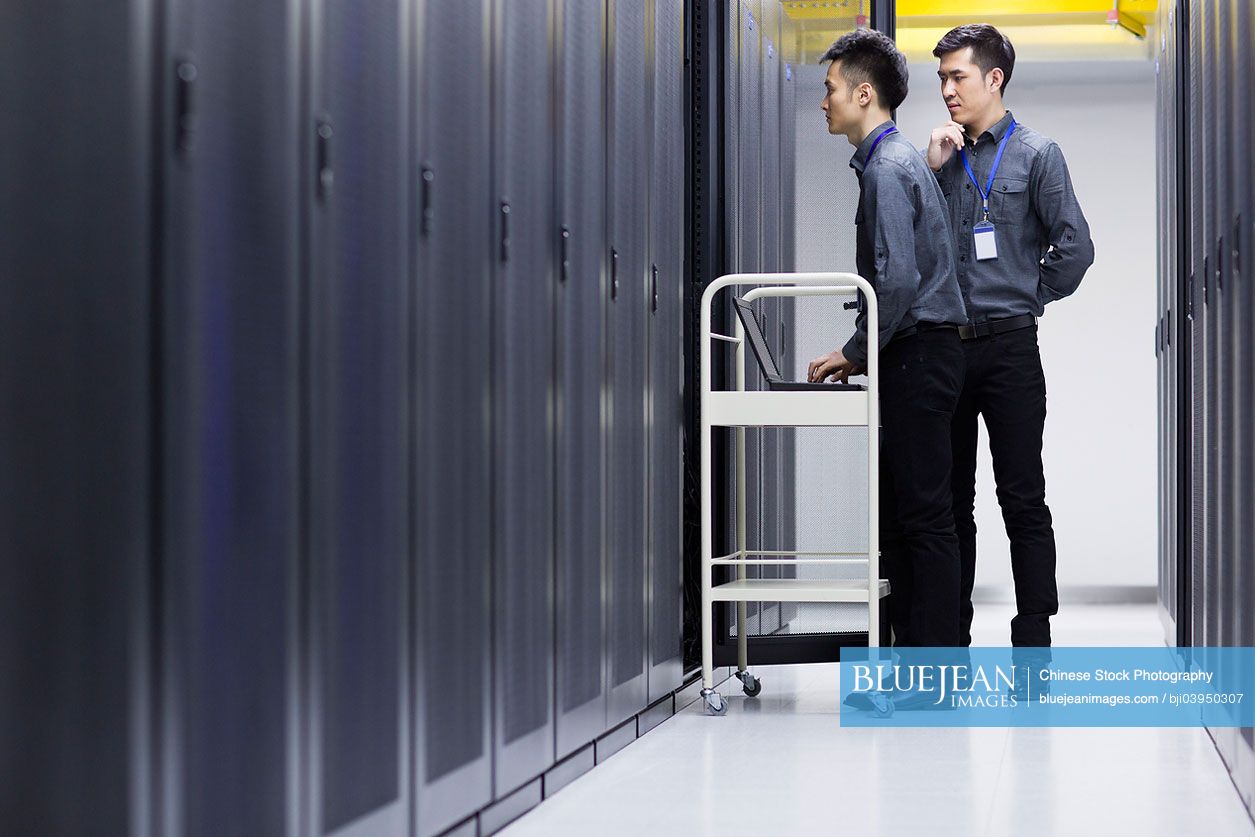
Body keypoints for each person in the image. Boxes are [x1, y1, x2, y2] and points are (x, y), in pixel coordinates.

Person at [925, 24, 1095, 654]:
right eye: (940, 77)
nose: (946, 89)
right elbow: (918, 248)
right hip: (946, 348)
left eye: (956, 76)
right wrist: (933, 169)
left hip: (1010, 351)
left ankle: (1033, 634)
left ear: (993, 78)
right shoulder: (941, 156)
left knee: (1022, 494)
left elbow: (1075, 249)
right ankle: (951, 634)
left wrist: (1029, 294)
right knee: (950, 501)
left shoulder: (1037, 155)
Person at [807, 28, 967, 651]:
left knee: (922, 519)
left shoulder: (888, 169)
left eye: (830, 90)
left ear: (864, 92)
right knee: (906, 518)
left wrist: (852, 350)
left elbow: (896, 282)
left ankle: (934, 671)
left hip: (920, 353)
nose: (823, 102)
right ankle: (915, 665)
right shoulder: (891, 162)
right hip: (915, 350)